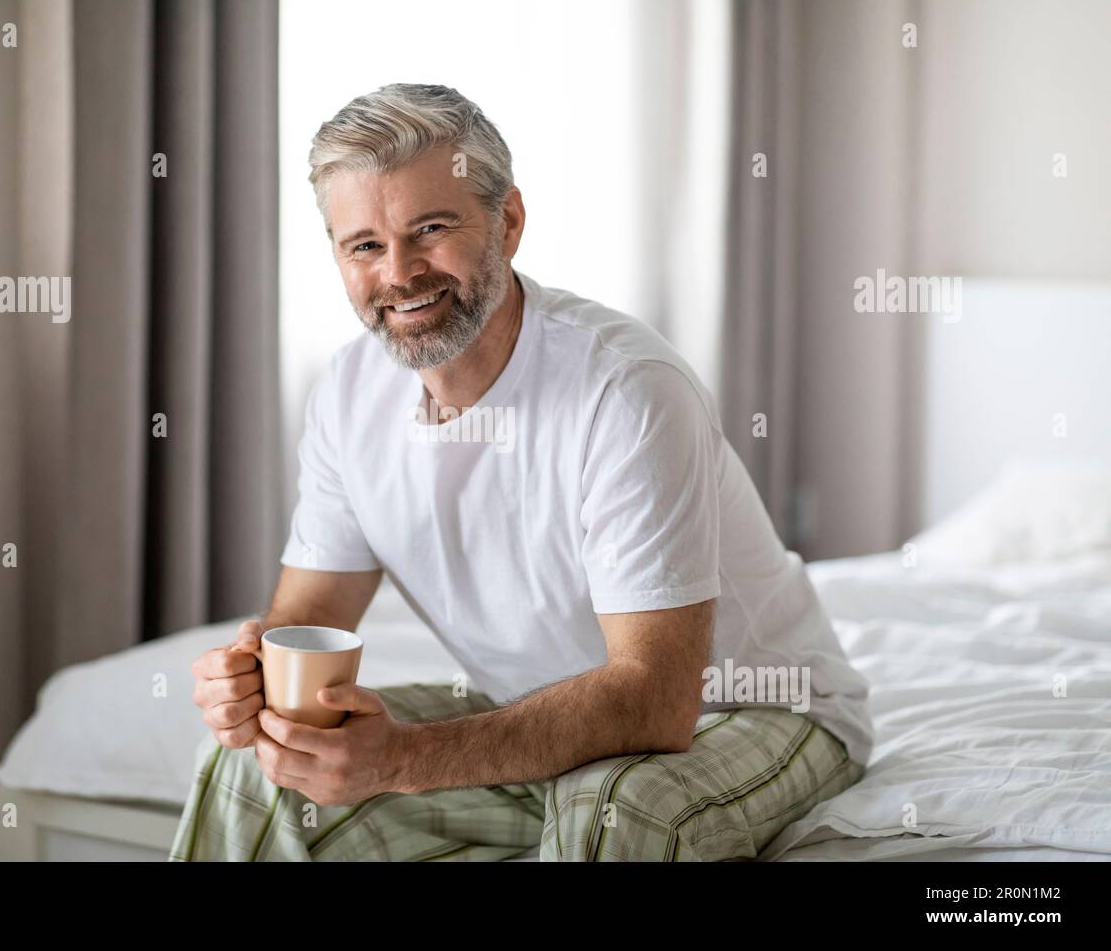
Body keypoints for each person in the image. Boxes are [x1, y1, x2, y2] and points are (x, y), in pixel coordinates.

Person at [170, 83, 872, 862]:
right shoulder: (346, 392)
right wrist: (252, 681)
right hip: (535, 719)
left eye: (429, 230)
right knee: (262, 769)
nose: (399, 273)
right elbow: (309, 619)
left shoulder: (625, 390)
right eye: (364, 245)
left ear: (506, 224)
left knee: (611, 804)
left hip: (750, 712)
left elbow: (656, 701)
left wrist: (401, 760)